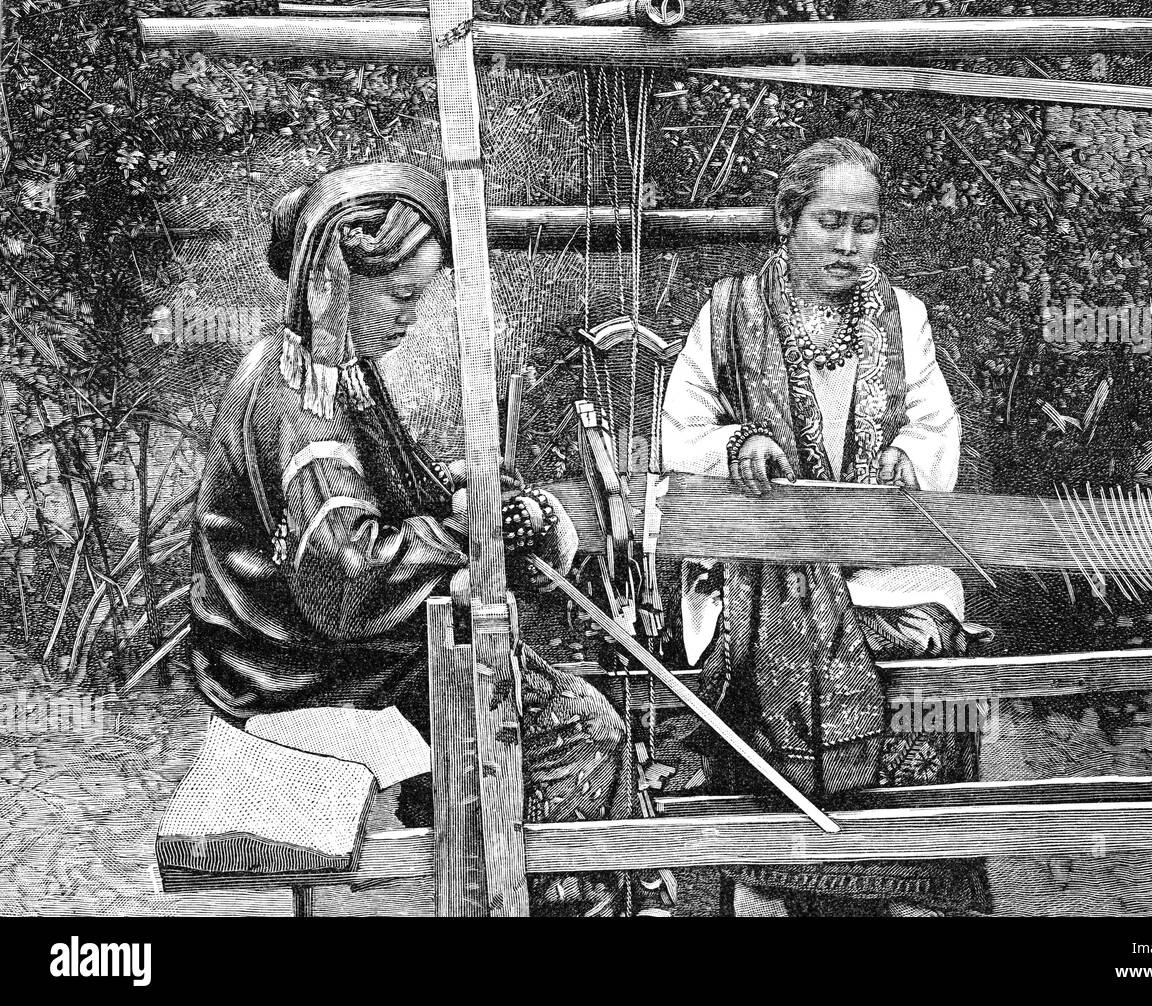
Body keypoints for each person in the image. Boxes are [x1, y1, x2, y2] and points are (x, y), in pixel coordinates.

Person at [189, 162, 639, 916]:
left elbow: (383, 496)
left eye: (418, 297)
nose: (409, 317)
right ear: (336, 272)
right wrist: (459, 532)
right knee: (582, 730)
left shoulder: (332, 371)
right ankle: (547, 897)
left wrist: (452, 486)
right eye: (400, 294)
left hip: (312, 652)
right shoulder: (297, 404)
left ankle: (494, 879)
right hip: (296, 674)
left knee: (523, 688)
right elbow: (348, 578)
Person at [661, 138, 991, 916]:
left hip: (874, 566)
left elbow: (935, 425)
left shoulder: (902, 317)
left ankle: (901, 875)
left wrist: (911, 455)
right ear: (788, 221)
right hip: (762, 563)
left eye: (866, 226)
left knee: (926, 631)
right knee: (766, 641)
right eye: (830, 222)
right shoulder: (731, 312)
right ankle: (783, 879)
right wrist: (738, 445)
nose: (849, 246)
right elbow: (680, 430)